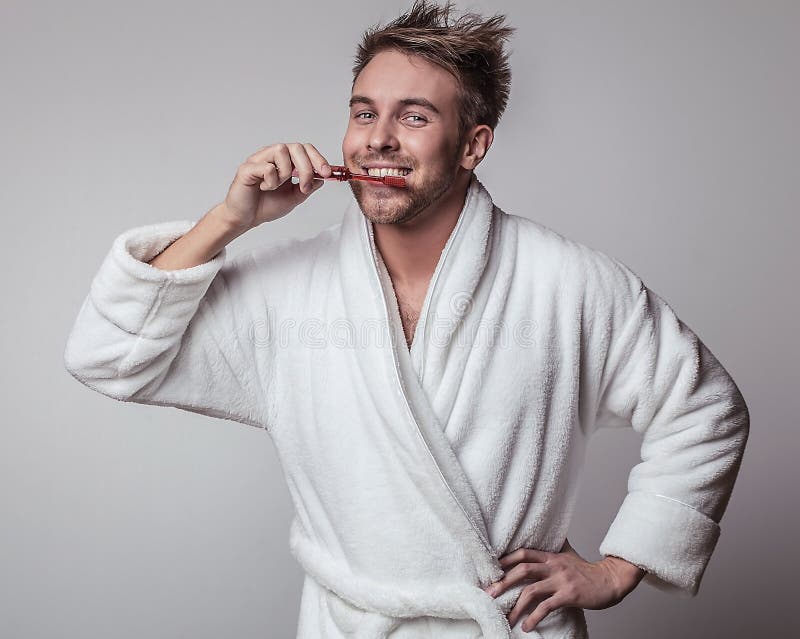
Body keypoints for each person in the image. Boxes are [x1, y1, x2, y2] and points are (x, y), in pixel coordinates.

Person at [63, 1, 750, 637]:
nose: (379, 140)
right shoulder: (286, 291)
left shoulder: (567, 283)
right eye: (364, 114)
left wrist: (620, 565)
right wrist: (229, 220)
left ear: (473, 145)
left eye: (414, 117)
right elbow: (108, 355)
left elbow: (706, 407)